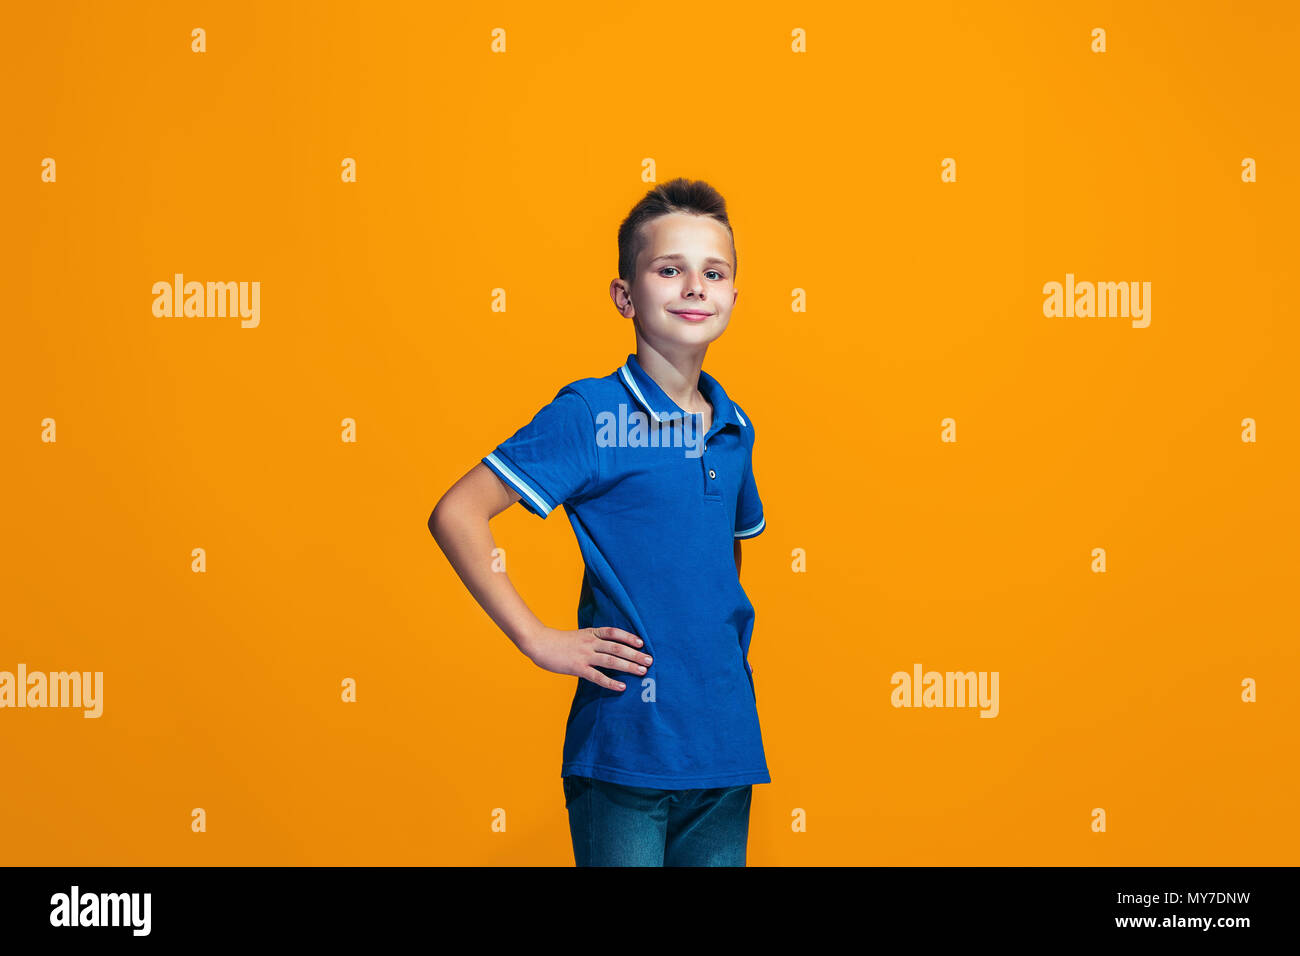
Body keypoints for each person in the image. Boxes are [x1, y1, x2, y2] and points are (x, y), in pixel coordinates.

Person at [429, 177, 769, 866]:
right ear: (625, 295)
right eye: (669, 270)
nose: (694, 288)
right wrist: (538, 640)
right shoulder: (591, 415)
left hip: (726, 744)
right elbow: (457, 512)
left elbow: (720, 561)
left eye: (714, 272)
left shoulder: (736, 428)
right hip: (624, 748)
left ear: (735, 294)